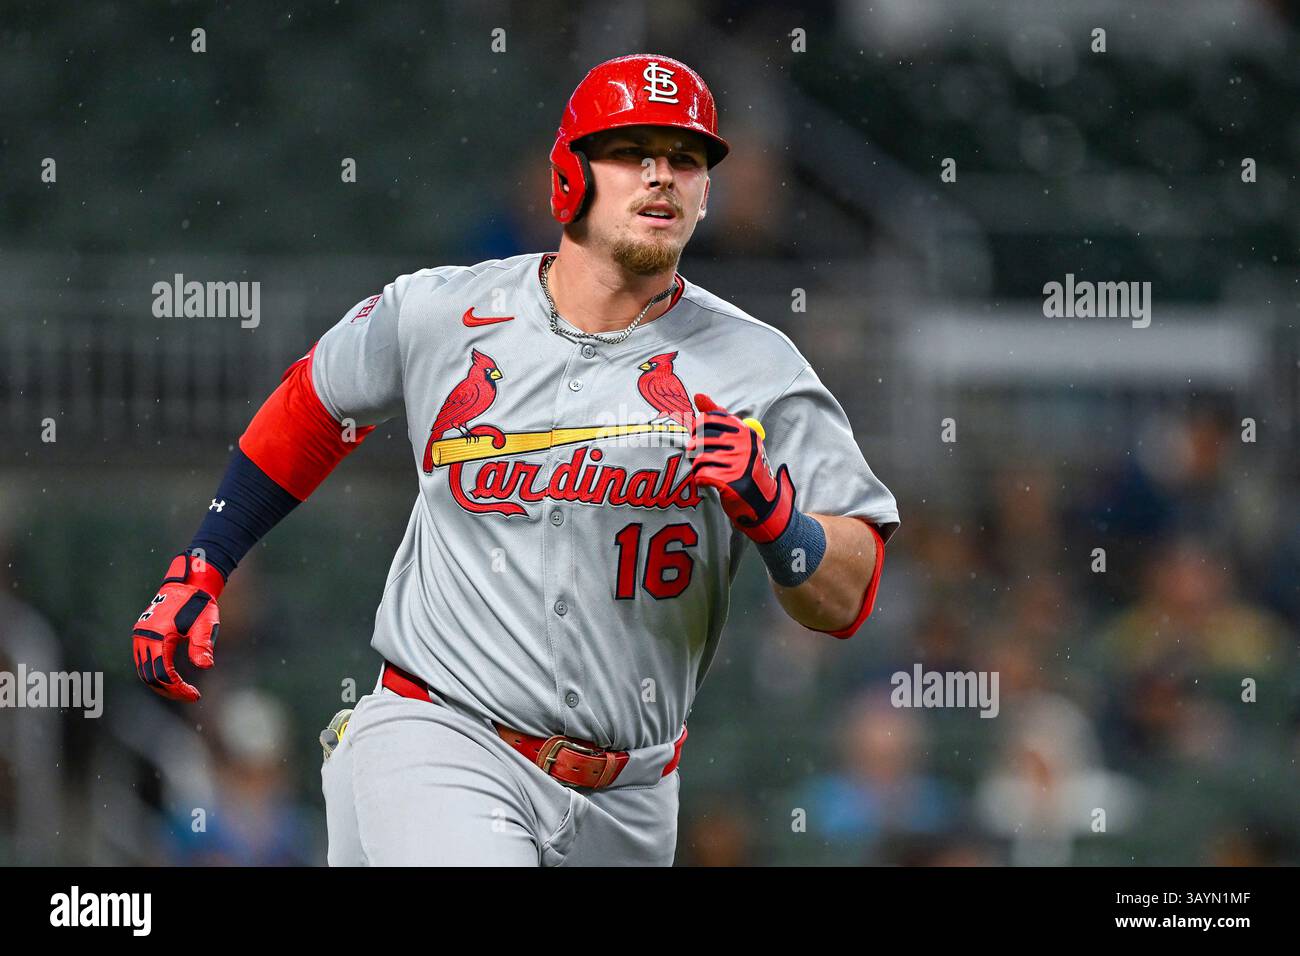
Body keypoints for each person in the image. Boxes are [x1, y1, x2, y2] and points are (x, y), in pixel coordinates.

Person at [130, 53, 900, 866]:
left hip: (632, 796)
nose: (661, 176)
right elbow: (314, 405)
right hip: (441, 736)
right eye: (631, 151)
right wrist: (206, 562)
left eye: (684, 159)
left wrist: (781, 524)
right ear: (569, 175)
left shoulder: (758, 366)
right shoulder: (443, 313)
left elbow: (847, 594)